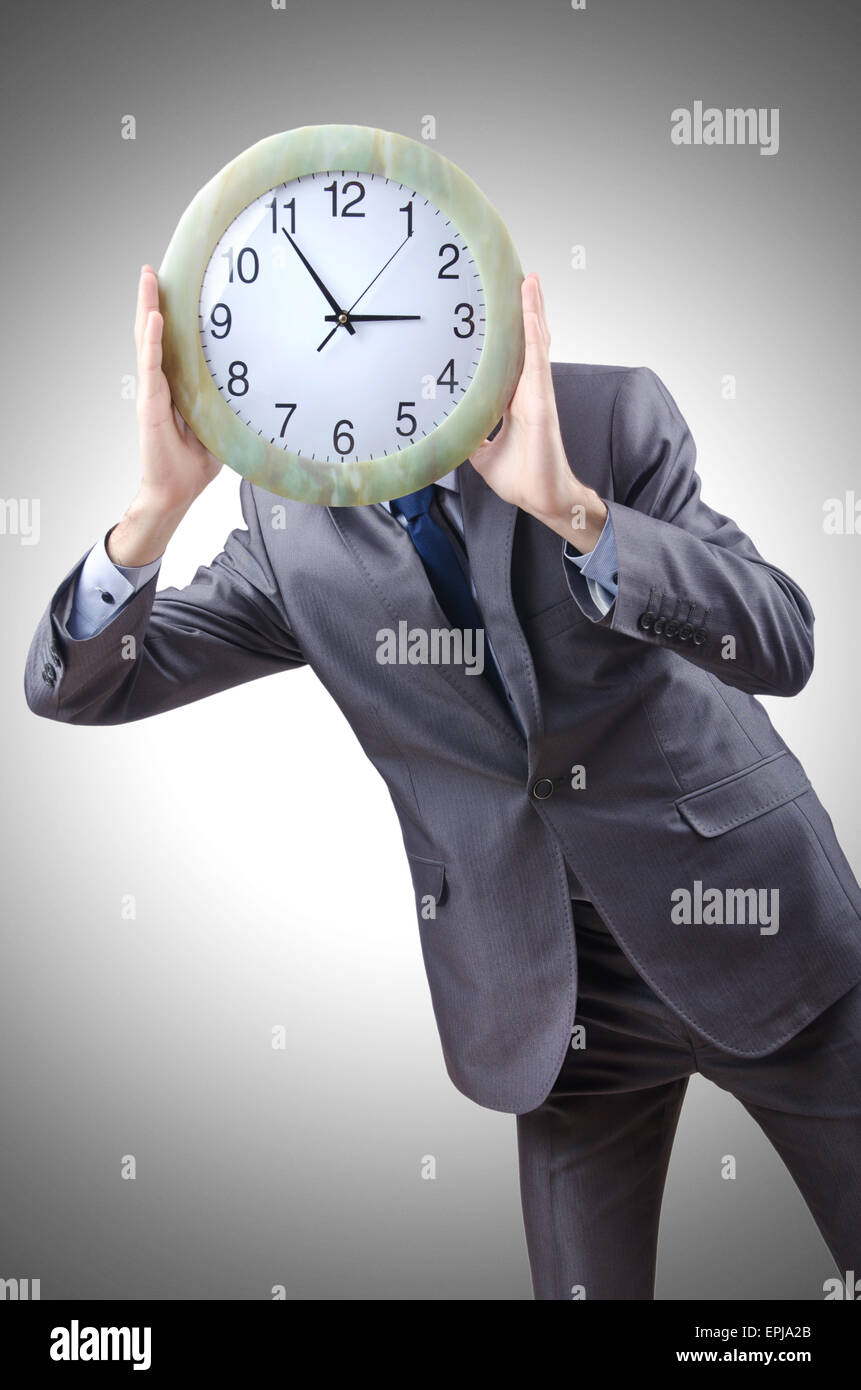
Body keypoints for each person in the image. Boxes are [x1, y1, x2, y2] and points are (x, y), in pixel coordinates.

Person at [25, 266, 861, 1300]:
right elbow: (82, 688)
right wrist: (150, 517)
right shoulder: (287, 526)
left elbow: (779, 639)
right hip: (558, 1012)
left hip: (766, 937)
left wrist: (575, 510)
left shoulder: (603, 413)